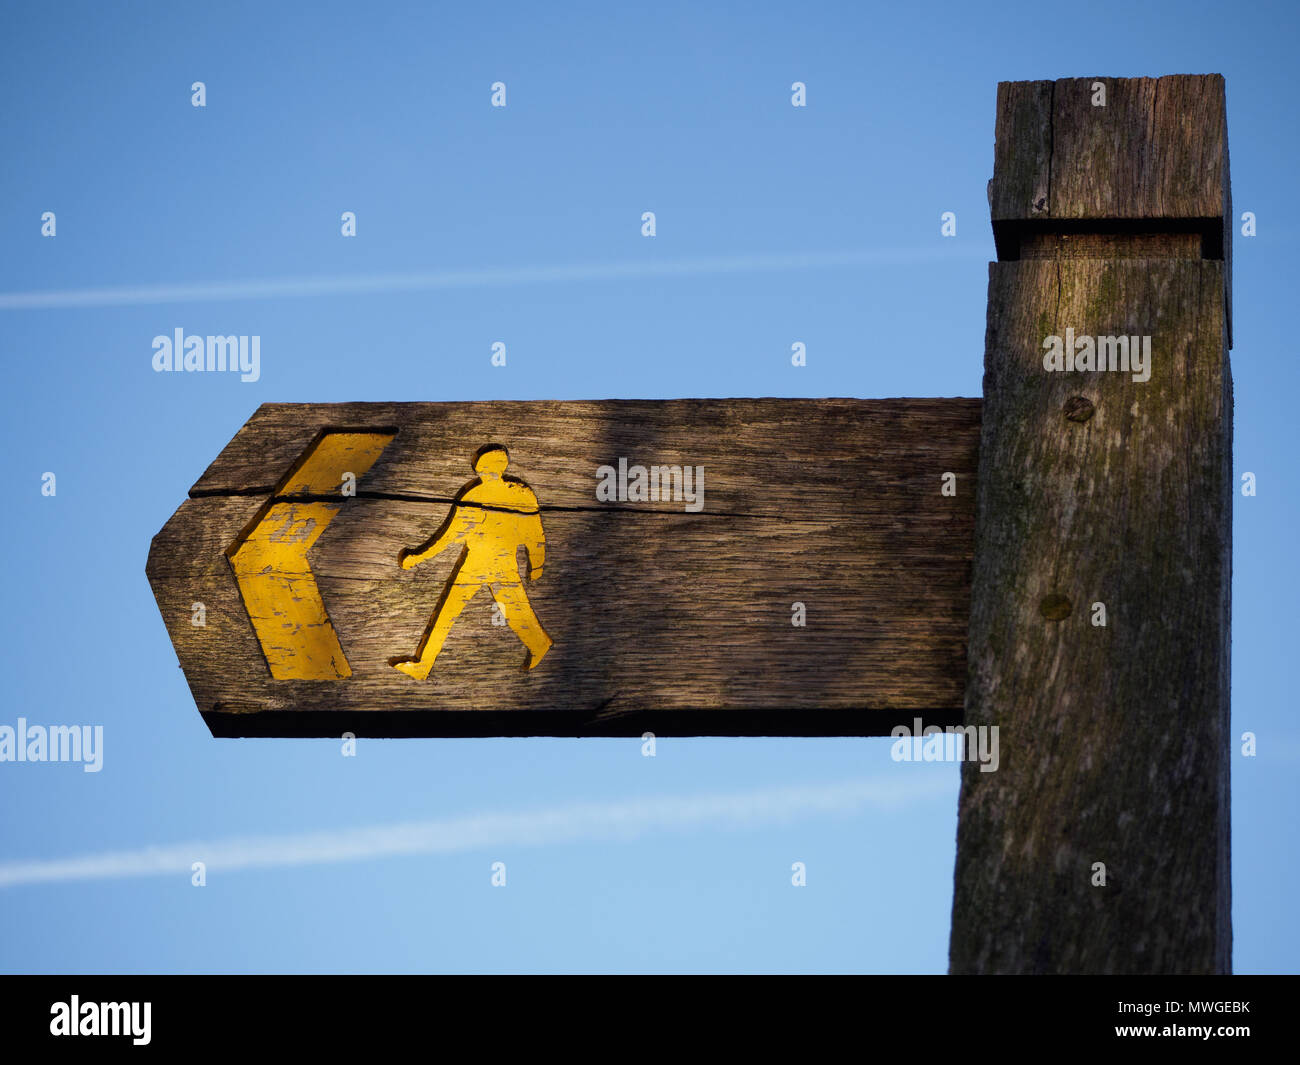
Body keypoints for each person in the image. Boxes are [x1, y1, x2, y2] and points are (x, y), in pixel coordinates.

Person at [390, 445, 552, 677]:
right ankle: (423, 664)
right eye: (483, 467)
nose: (485, 471)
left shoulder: (516, 494)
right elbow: (448, 535)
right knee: (450, 611)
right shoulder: (484, 495)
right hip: (476, 562)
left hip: (500, 564)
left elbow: (535, 534)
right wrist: (417, 557)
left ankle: (539, 644)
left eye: (488, 466)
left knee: (507, 611)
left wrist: (537, 564)